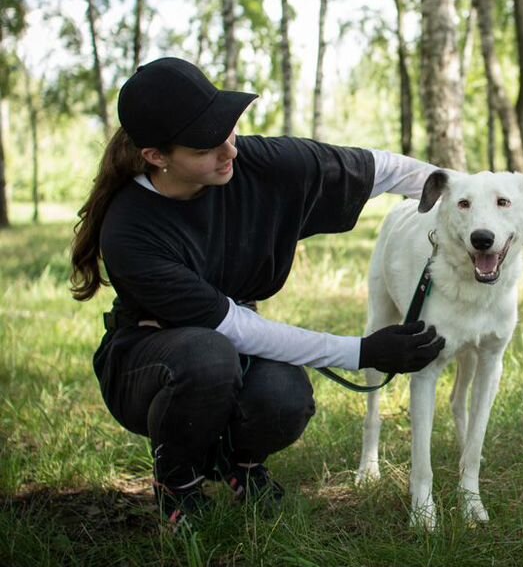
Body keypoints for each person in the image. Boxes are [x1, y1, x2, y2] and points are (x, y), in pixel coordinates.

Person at [70, 56, 445, 527]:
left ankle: (240, 464)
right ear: (156, 157)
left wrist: (466, 196)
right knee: (210, 357)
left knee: (286, 398)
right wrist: (364, 350)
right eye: (207, 145)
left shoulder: (255, 162)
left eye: (228, 129)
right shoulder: (131, 231)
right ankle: (177, 476)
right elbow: (233, 329)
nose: (229, 150)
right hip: (151, 360)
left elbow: (379, 169)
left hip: (226, 339)